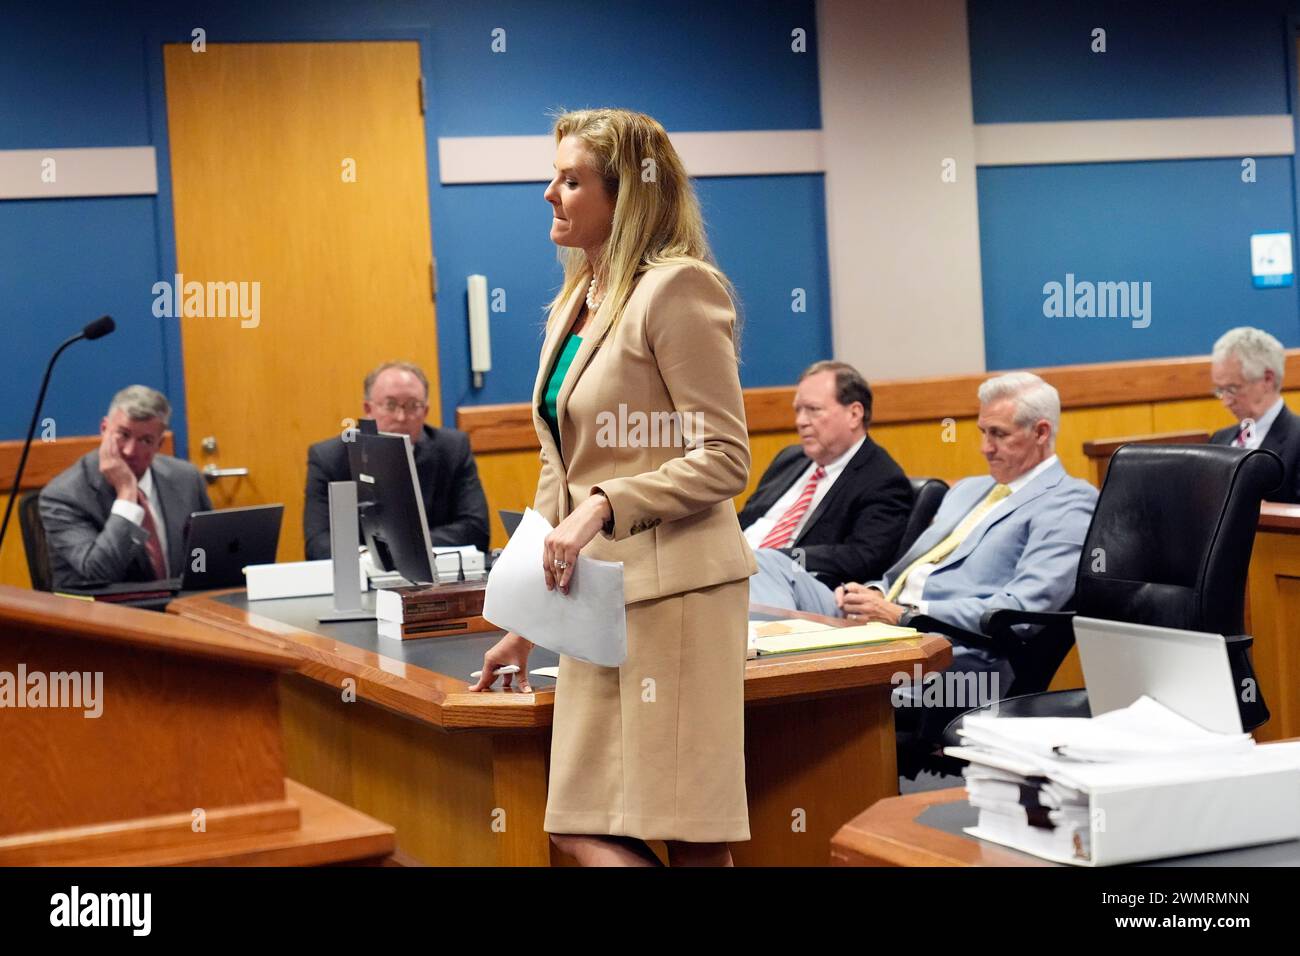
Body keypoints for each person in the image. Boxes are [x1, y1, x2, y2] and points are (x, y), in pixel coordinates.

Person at [471, 108, 756, 867]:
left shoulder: (678, 289)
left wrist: (606, 506)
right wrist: (523, 621)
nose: (549, 194)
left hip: (678, 597)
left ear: (625, 194)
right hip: (599, 604)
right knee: (580, 823)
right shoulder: (577, 300)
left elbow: (726, 457)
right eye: (553, 177)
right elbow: (559, 473)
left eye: (571, 180)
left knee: (690, 834)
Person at [839, 372, 1097, 691]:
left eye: (998, 434)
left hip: (955, 659)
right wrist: (873, 594)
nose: (984, 448)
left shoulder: (1069, 502)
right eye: (983, 432)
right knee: (783, 577)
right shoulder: (966, 490)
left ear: (1041, 432)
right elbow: (913, 572)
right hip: (888, 631)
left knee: (817, 684)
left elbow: (1020, 612)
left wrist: (907, 614)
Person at [742, 360, 912, 614]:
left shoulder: (883, 479)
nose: (801, 421)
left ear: (854, 414)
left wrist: (778, 557)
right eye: (798, 410)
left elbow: (862, 557)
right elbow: (747, 519)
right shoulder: (789, 459)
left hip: (803, 586)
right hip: (736, 568)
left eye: (813, 410)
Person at [302, 361, 489, 558]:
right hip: (362, 571)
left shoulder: (453, 450)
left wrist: (400, 550)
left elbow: (476, 529)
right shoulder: (329, 458)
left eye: (413, 406)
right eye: (390, 405)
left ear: (425, 411)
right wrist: (372, 556)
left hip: (435, 570)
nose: (401, 417)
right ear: (368, 409)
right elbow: (318, 543)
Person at [40, 385, 211, 590]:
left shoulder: (186, 478)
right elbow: (98, 573)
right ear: (104, 429)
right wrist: (127, 493)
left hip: (180, 605)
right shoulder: (63, 496)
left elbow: (208, 554)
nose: (130, 451)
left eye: (145, 440)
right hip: (103, 607)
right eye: (123, 434)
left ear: (159, 444)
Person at [1208, 327, 1300, 503]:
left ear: (1267, 379)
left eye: (1232, 389)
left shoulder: (1296, 440)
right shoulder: (1219, 440)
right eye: (1220, 390)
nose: (1226, 402)